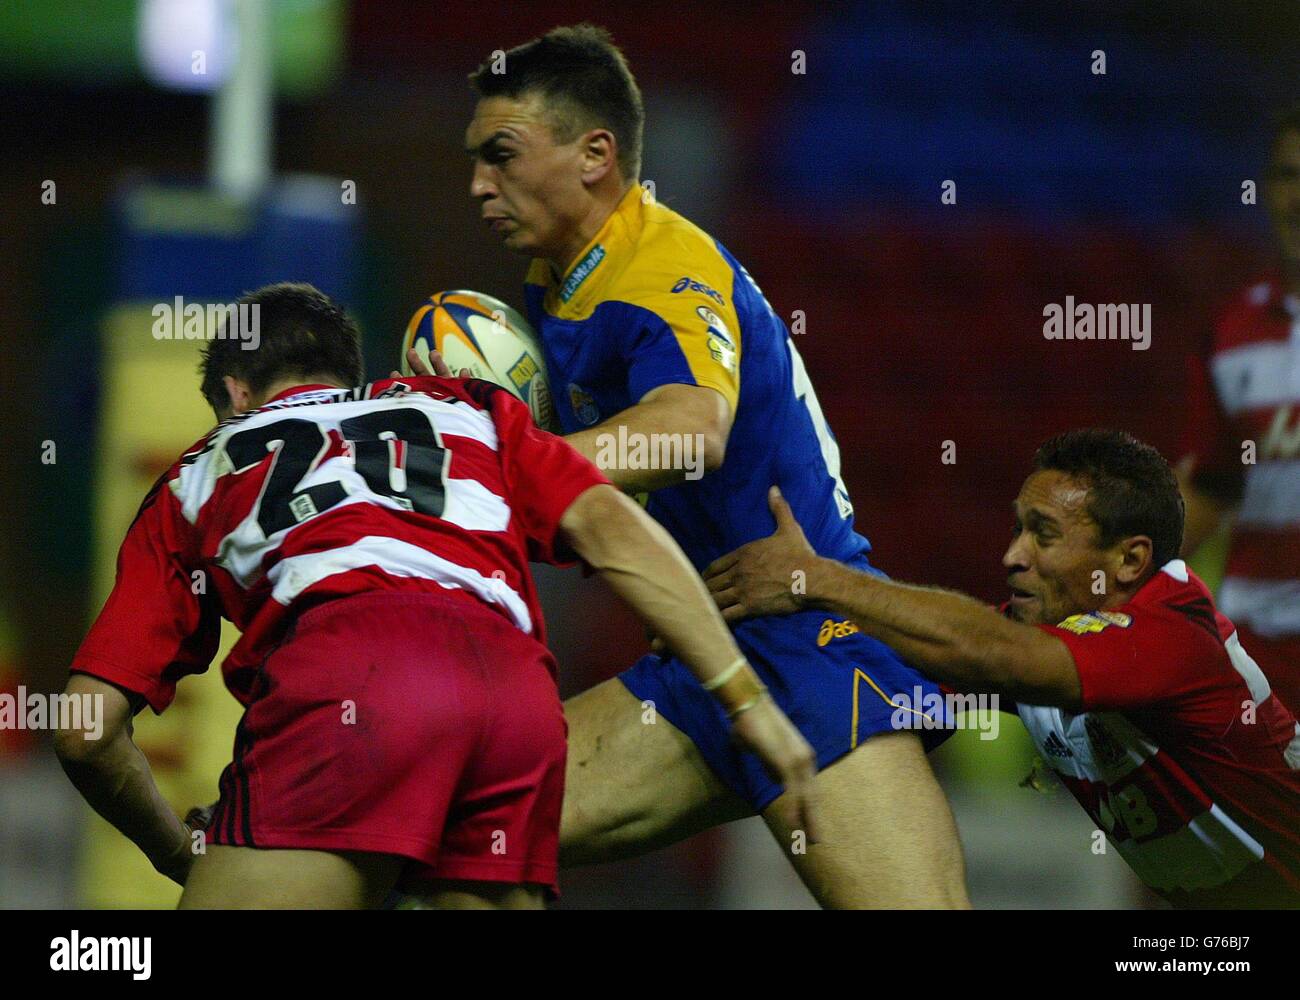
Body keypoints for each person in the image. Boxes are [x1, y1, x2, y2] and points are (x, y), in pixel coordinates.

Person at [53, 282, 816, 910]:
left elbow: (86, 731)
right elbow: (615, 529)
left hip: (348, 687)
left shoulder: (198, 472)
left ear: (233, 393)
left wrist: (176, 852)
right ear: (347, 373)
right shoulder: (467, 410)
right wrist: (743, 696)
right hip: (514, 699)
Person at [460, 24, 968, 907]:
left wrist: (514, 468)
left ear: (594, 154)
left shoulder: (659, 264)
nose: (478, 184)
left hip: (809, 650)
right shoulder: (560, 285)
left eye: (501, 155)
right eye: (474, 159)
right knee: (469, 840)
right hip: (702, 667)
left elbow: (691, 432)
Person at [704, 428, 1300, 908]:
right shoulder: (1037, 642)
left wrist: (821, 580)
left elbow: (997, 655)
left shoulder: (1174, 633)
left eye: (1044, 534)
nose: (1012, 557)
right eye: (1019, 528)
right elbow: (886, 661)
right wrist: (719, 633)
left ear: (1128, 559)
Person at [1177, 103, 1300, 717]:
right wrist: (1109, 572)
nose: (1298, 196)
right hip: (1262, 659)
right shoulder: (1233, 331)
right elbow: (1212, 485)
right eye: (1286, 175)